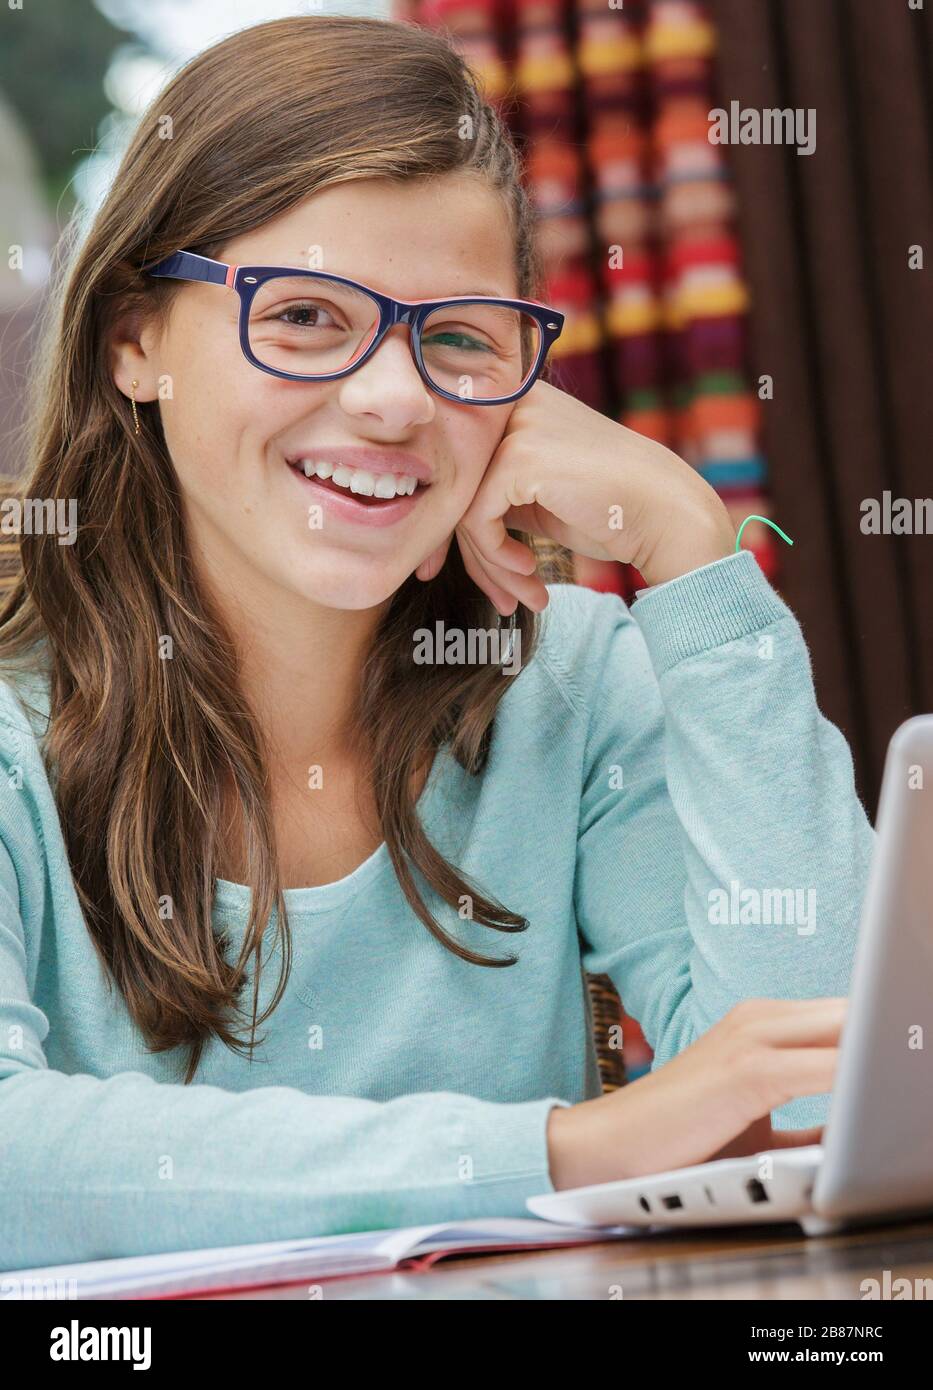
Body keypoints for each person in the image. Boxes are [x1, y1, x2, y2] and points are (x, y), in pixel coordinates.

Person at [0, 16, 874, 1270]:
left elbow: (819, 1098)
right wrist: (567, 1149)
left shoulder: (573, 681)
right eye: (302, 315)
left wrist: (689, 545)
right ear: (135, 340)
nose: (395, 400)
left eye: (460, 336)